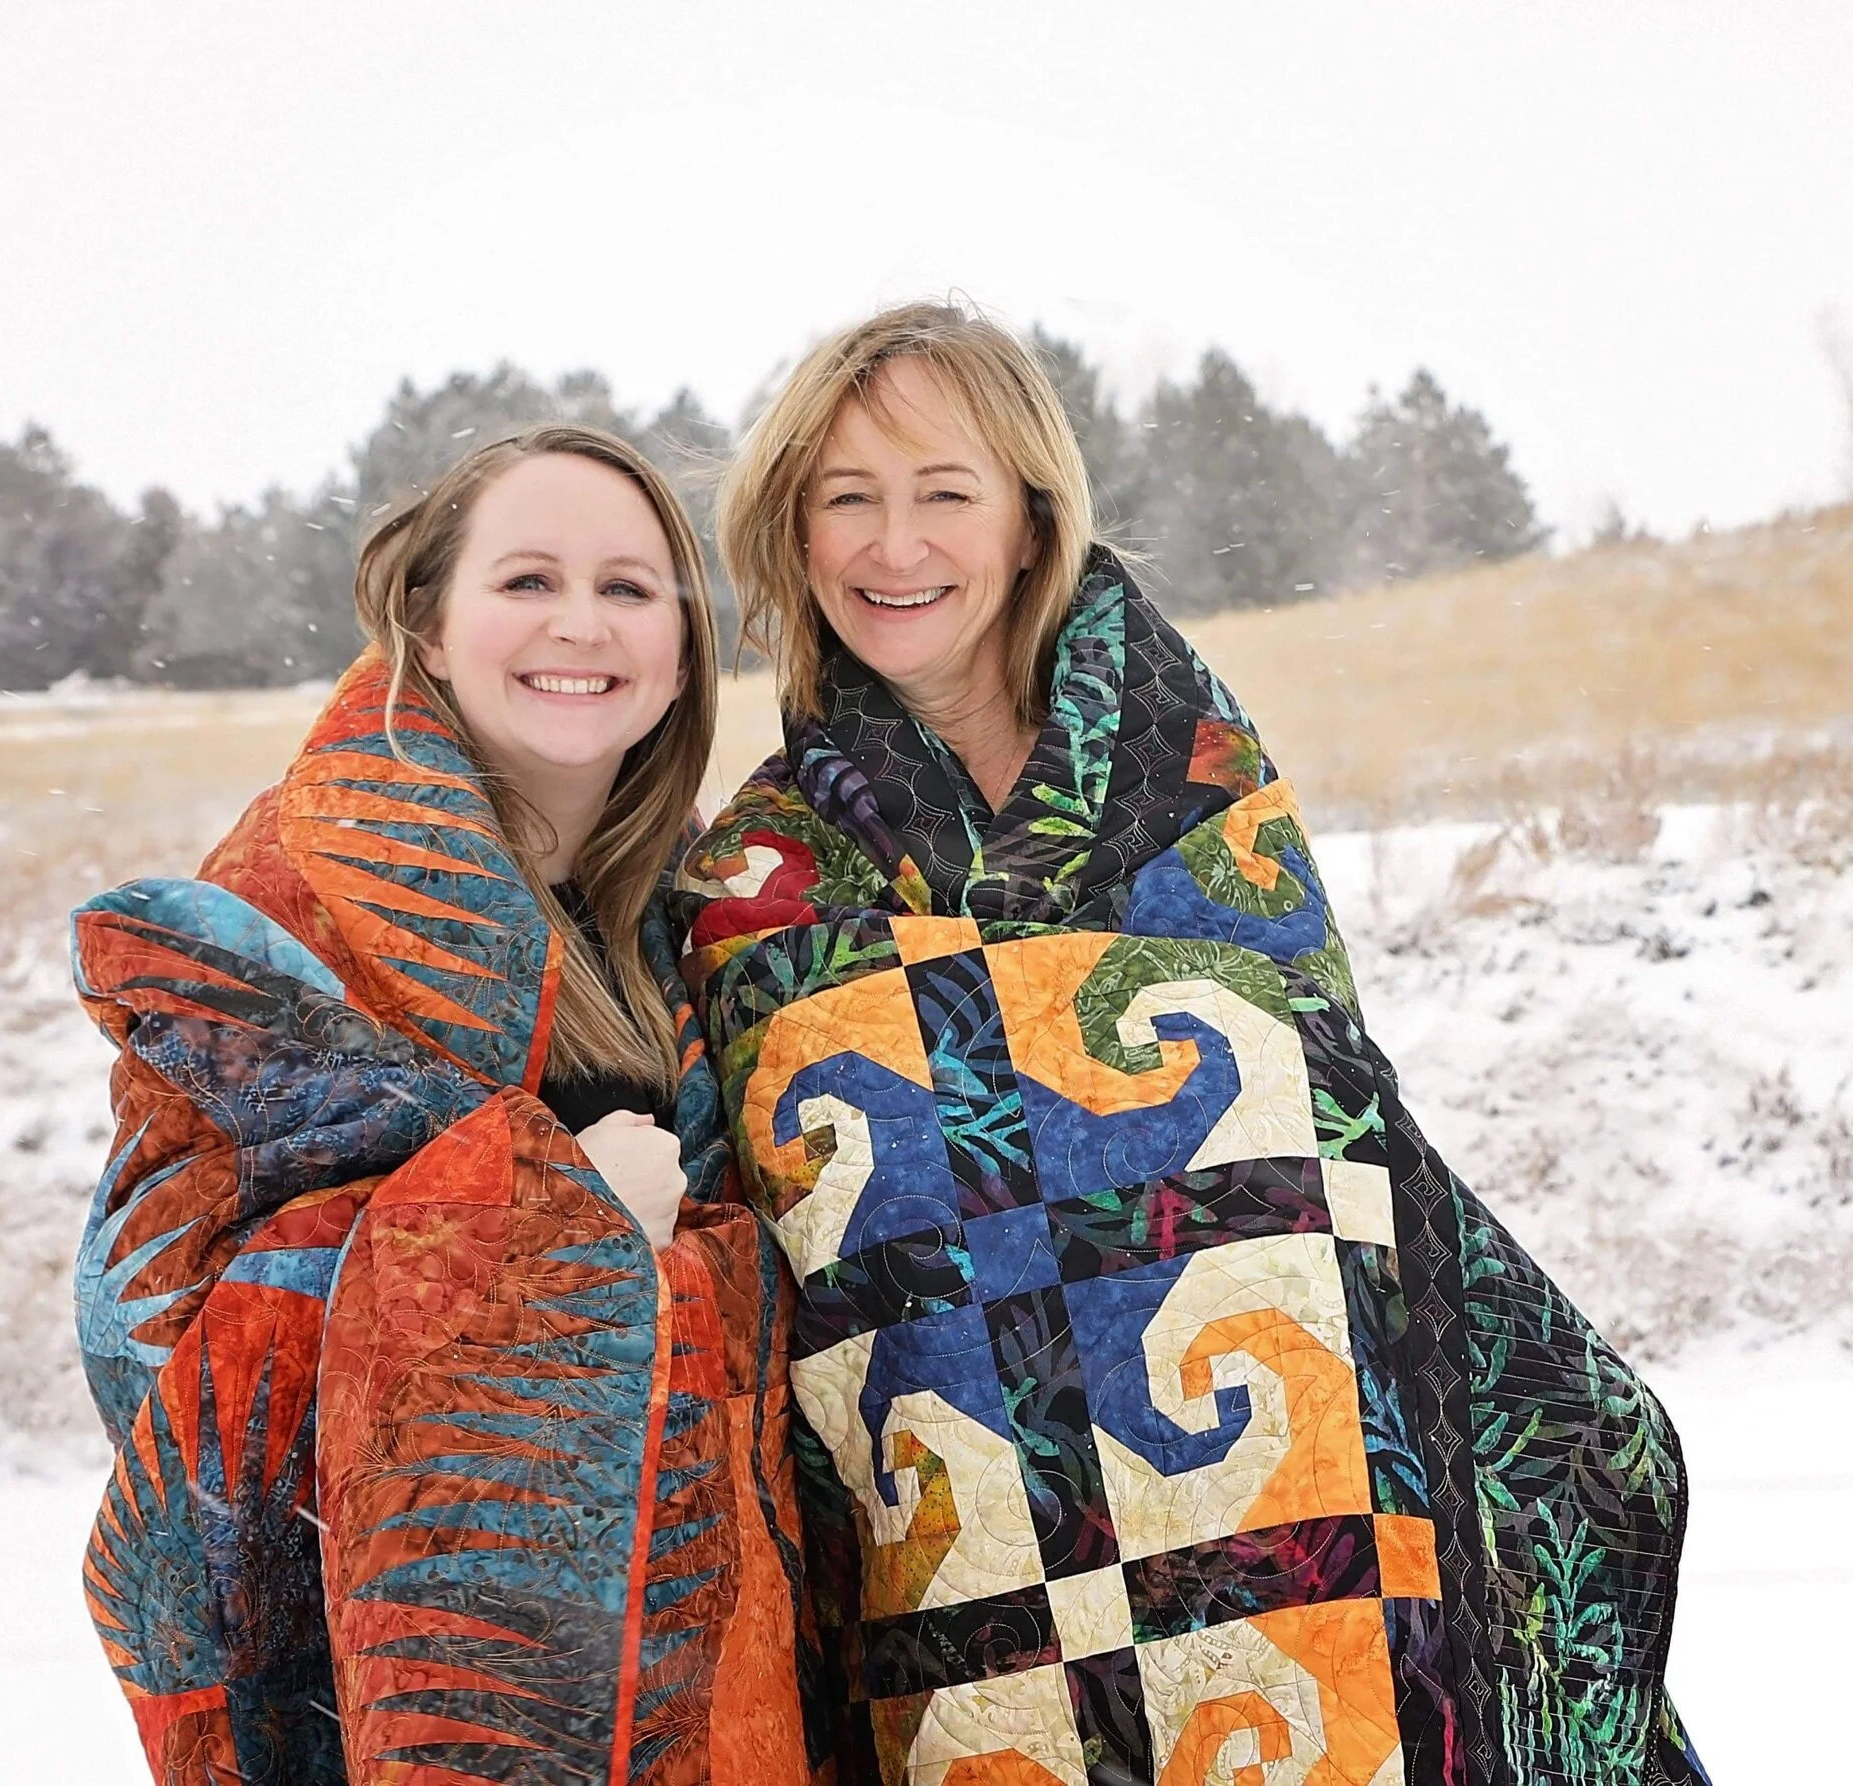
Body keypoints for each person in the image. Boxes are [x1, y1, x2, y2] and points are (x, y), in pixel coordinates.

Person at [677, 304, 1709, 1786]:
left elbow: (1336, 1169)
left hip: (1311, 1568)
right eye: (848, 498)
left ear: (1031, 519)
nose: (893, 546)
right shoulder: (757, 886)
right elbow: (795, 1268)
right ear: (792, 530)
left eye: (942, 492)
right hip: (969, 1612)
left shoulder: (1197, 780)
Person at [71, 426, 811, 1786]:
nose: (580, 624)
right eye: (527, 580)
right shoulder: (299, 892)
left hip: (699, 1660)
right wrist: (547, 1214)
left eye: (631, 588)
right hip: (412, 1688)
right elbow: (161, 1331)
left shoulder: (688, 917)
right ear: (428, 612)